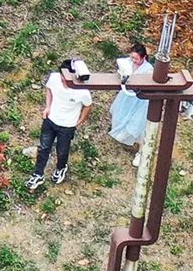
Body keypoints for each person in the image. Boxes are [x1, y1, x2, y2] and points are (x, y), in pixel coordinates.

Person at [29, 58, 98, 190]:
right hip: (50, 120)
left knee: (62, 150)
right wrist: (48, 106)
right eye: (62, 76)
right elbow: (49, 89)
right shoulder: (54, 78)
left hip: (67, 126)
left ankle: (61, 168)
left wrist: (81, 119)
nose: (62, 80)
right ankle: (38, 174)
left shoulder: (82, 91)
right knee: (43, 148)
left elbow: (88, 105)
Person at [109, 42, 155, 148]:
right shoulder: (128, 63)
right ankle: (117, 131)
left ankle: (133, 140)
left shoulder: (148, 69)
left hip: (139, 99)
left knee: (135, 119)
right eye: (132, 57)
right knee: (120, 112)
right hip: (127, 95)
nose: (134, 60)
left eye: (137, 59)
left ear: (143, 58)